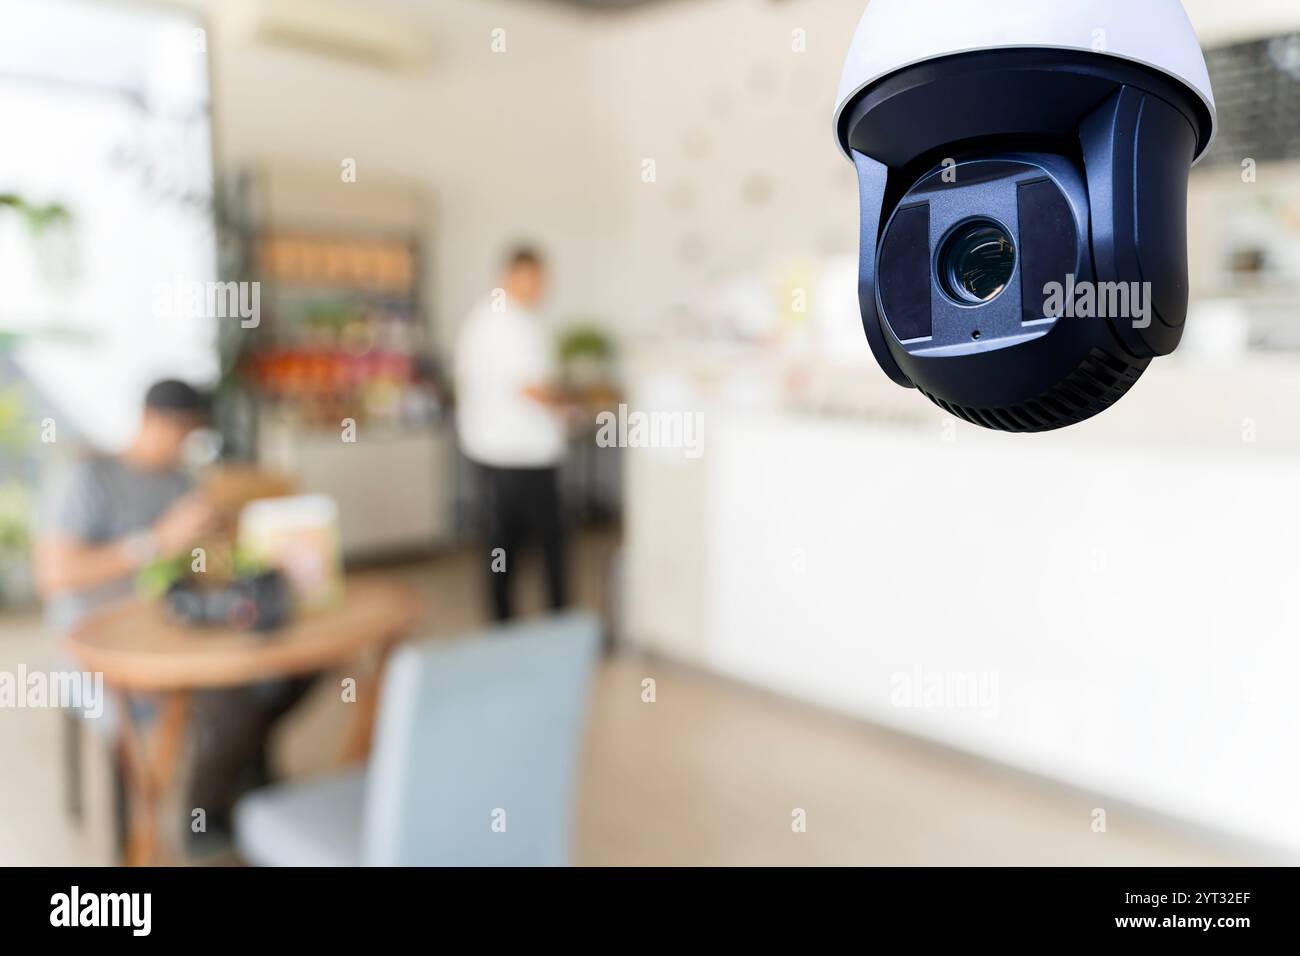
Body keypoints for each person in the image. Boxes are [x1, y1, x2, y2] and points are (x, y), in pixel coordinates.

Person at [34, 379, 311, 855]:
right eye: (182, 432)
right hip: (107, 644)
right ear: (152, 420)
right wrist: (155, 541)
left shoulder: (181, 481)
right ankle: (204, 822)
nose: (186, 445)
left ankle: (237, 784)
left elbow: (194, 567)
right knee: (231, 699)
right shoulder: (89, 478)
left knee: (289, 669)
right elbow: (54, 576)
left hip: (181, 625)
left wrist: (233, 541)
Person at [455, 246, 570, 621]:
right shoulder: (504, 322)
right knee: (523, 548)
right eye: (535, 278)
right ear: (512, 275)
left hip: (513, 450)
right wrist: (568, 401)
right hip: (514, 454)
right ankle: (537, 623)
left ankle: (518, 624)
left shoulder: (505, 317)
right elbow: (530, 387)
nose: (541, 287)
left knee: (511, 547)